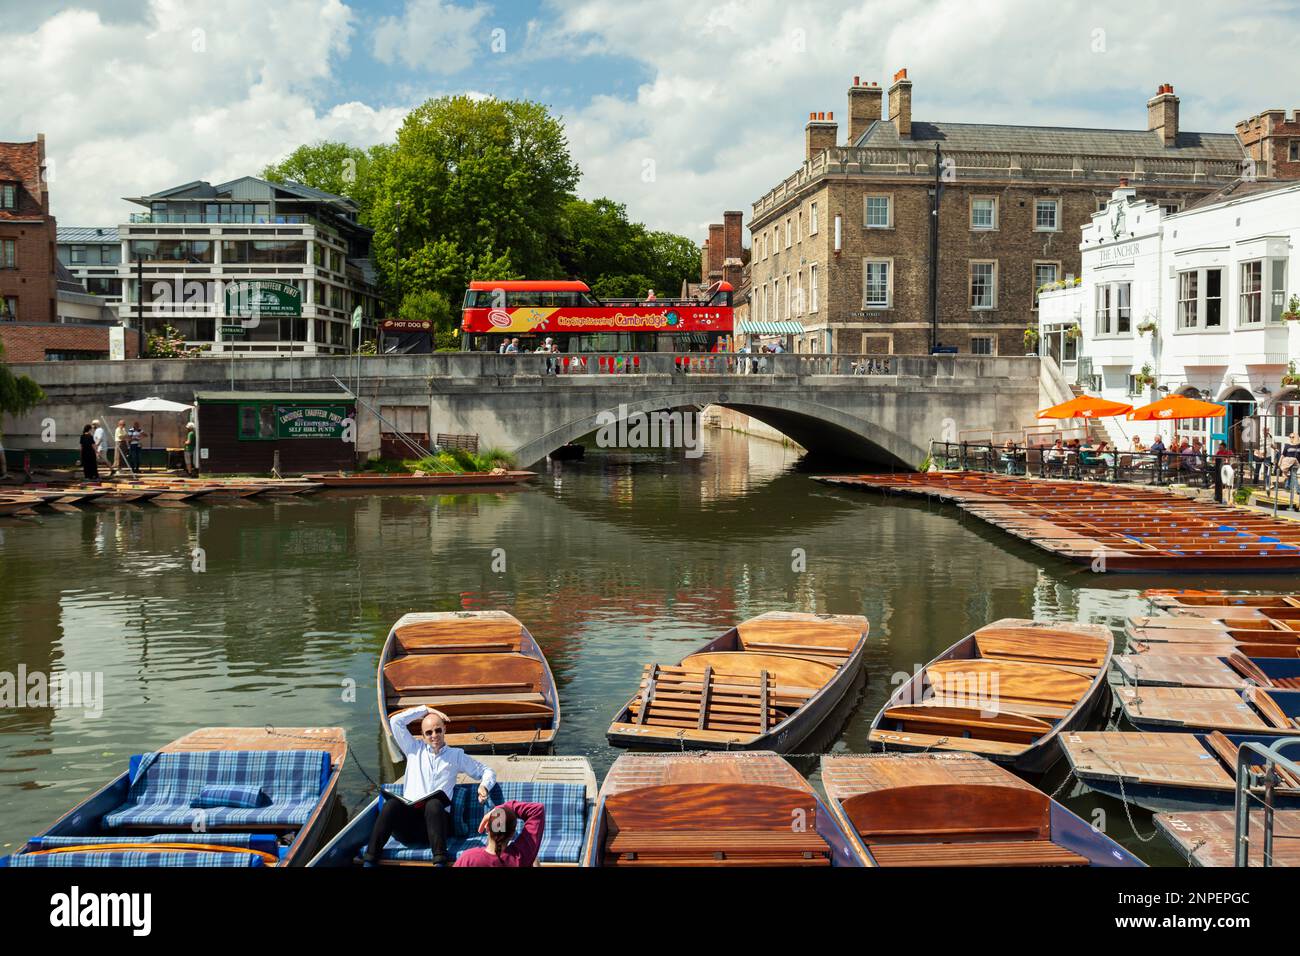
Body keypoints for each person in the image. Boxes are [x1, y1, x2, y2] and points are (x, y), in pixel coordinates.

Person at [363, 706, 496, 866]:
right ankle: (369, 862)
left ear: (444, 729)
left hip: (438, 826)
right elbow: (395, 721)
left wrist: (484, 786)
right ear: (423, 736)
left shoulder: (456, 755)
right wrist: (425, 709)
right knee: (391, 805)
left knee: (433, 804)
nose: (434, 736)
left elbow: (487, 771)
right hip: (410, 827)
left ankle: (439, 862)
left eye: (438, 730)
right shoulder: (413, 749)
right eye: (429, 732)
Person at [453, 800, 546, 868]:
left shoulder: (468, 859)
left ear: (487, 828)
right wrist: (499, 810)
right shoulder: (521, 857)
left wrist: (497, 812)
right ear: (512, 834)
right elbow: (537, 810)